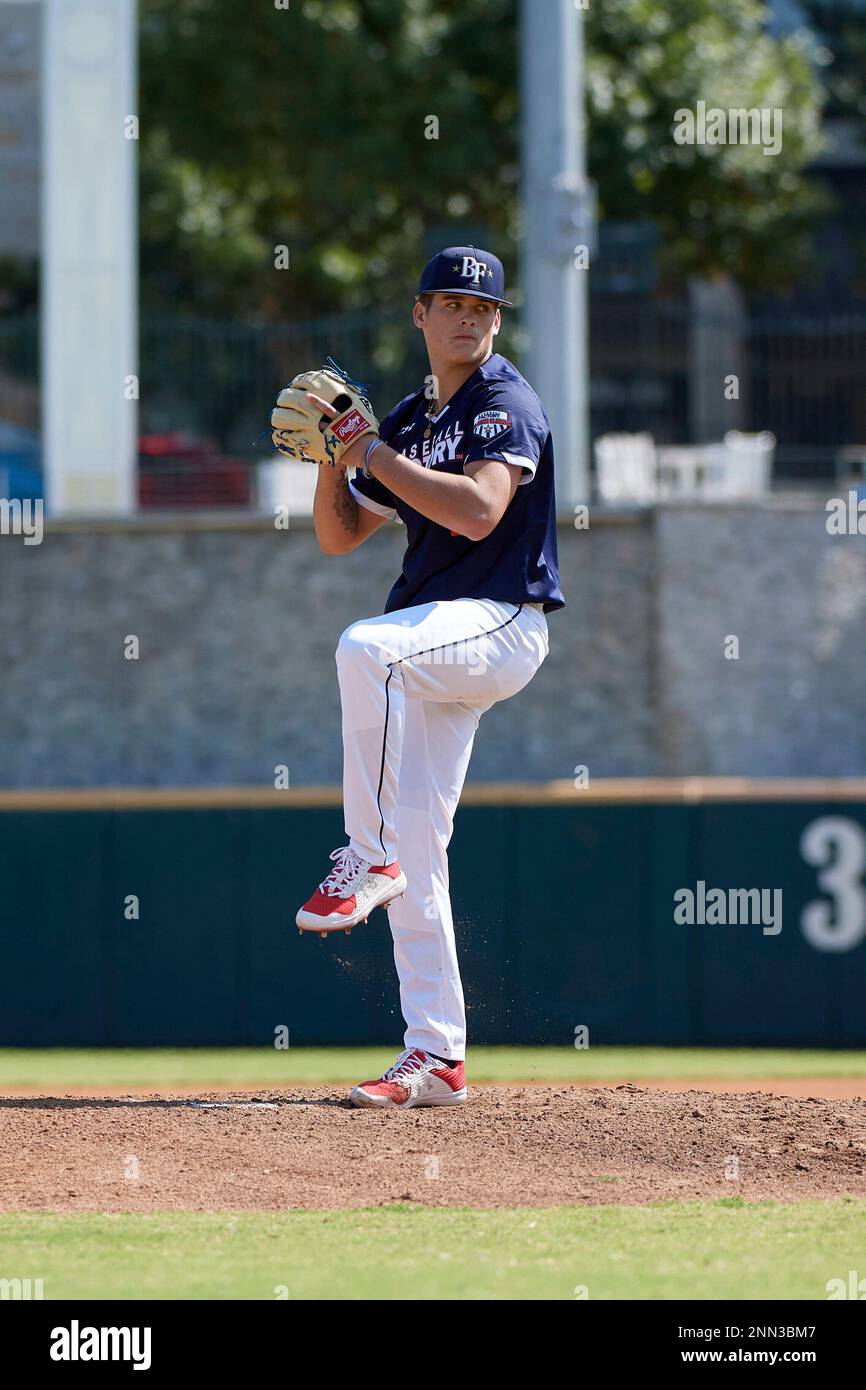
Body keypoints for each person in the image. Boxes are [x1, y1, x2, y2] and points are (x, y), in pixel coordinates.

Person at [296, 245, 564, 1109]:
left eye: (483, 308)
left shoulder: (502, 401)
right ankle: (437, 1056)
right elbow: (340, 536)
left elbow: (482, 513)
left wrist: (368, 449)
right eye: (450, 303)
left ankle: (364, 859)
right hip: (437, 642)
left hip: (500, 622)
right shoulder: (412, 417)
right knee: (423, 846)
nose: (468, 319)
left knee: (364, 648)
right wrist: (335, 457)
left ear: (498, 320)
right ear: (420, 314)